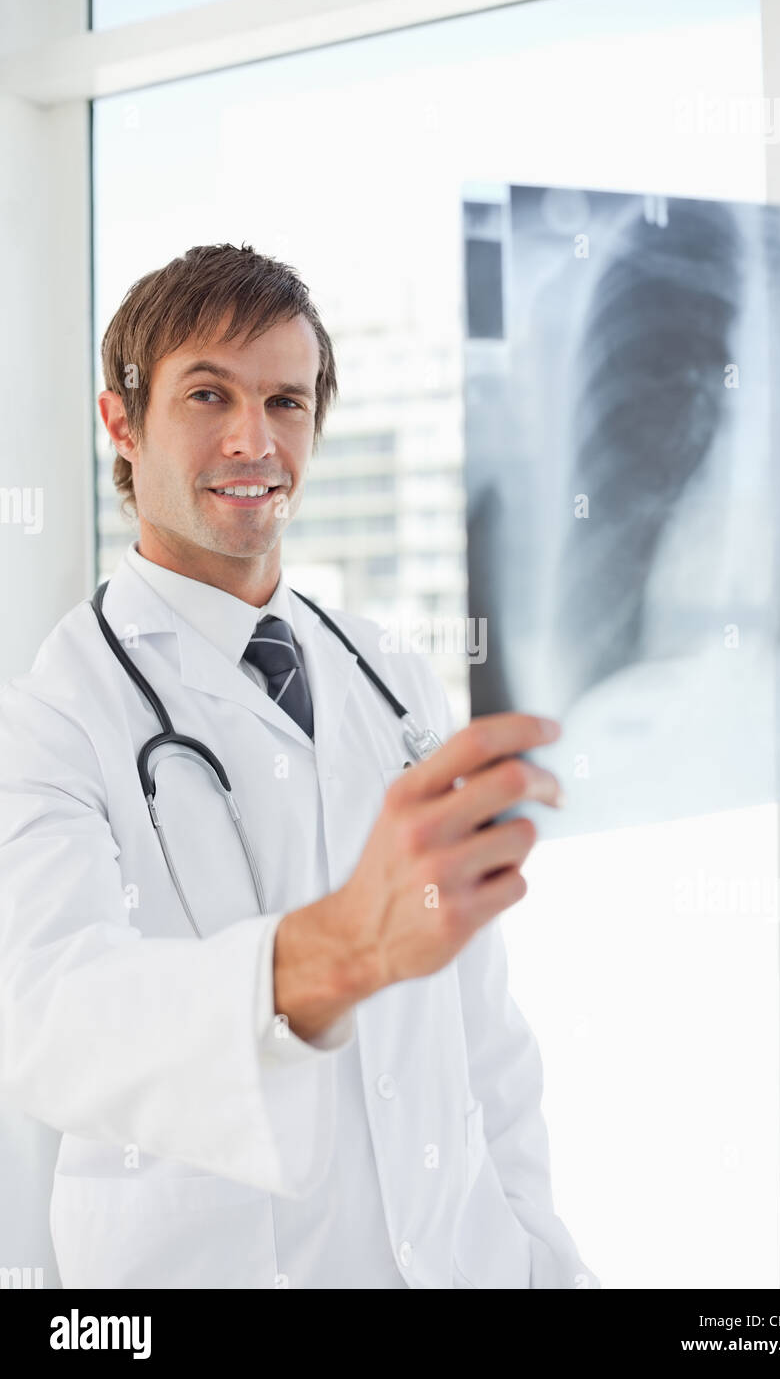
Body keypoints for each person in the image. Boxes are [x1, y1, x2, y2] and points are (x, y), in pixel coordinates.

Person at [0, 242, 598, 1290]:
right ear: (121, 425)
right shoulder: (53, 711)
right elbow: (51, 1016)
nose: (252, 438)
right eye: (207, 394)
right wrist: (330, 956)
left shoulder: (391, 672)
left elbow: (483, 1034)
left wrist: (542, 1259)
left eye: (286, 399)